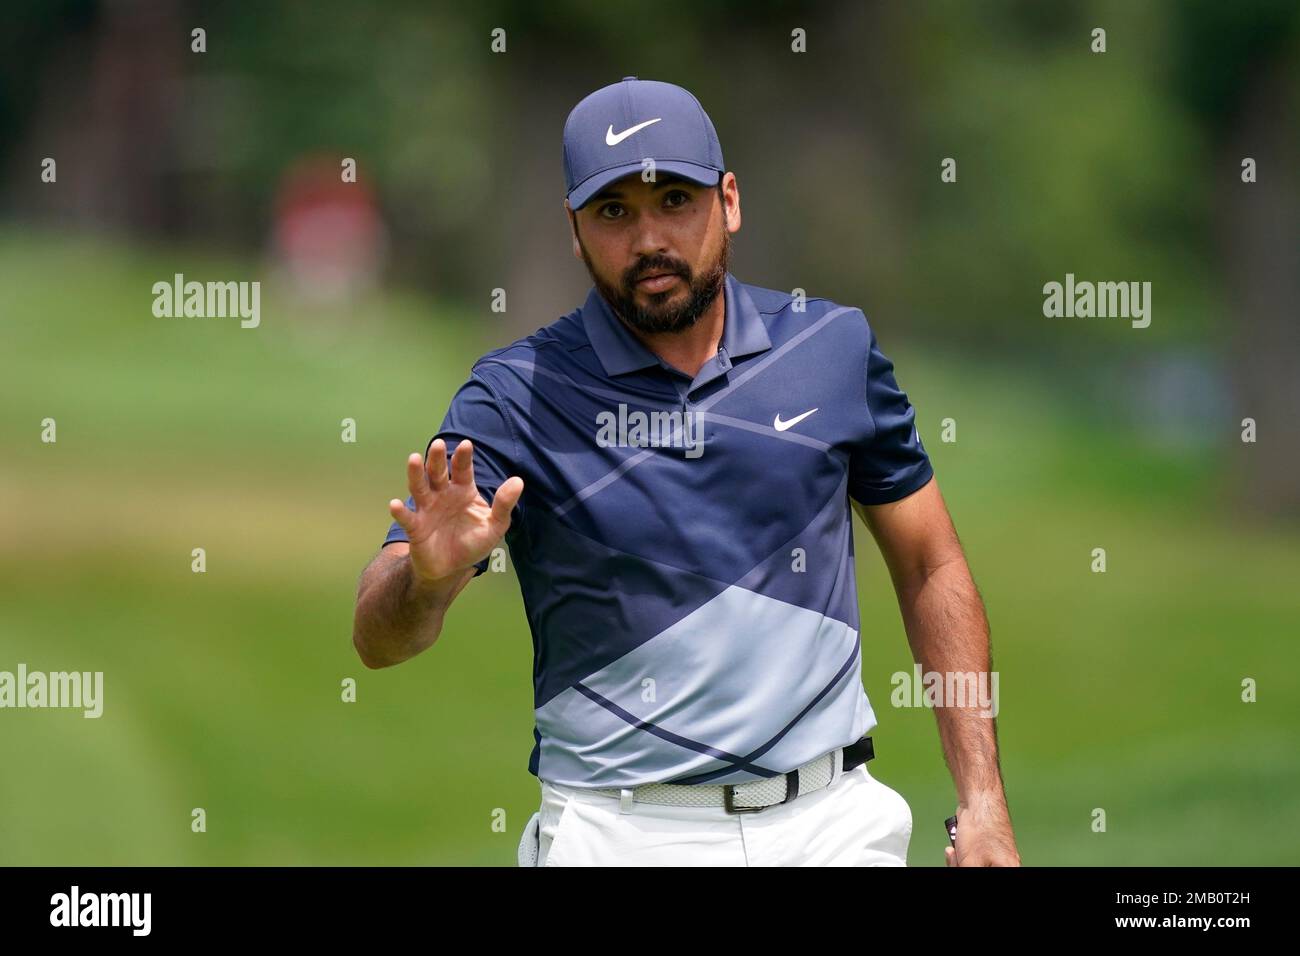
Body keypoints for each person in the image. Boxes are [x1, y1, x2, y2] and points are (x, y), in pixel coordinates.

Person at [352, 77, 1021, 867]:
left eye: (675, 199)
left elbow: (928, 562)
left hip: (832, 824)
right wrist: (427, 580)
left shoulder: (833, 350)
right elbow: (378, 639)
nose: (648, 241)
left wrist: (982, 802)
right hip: (618, 835)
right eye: (613, 213)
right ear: (574, 230)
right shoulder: (518, 393)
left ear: (728, 201)